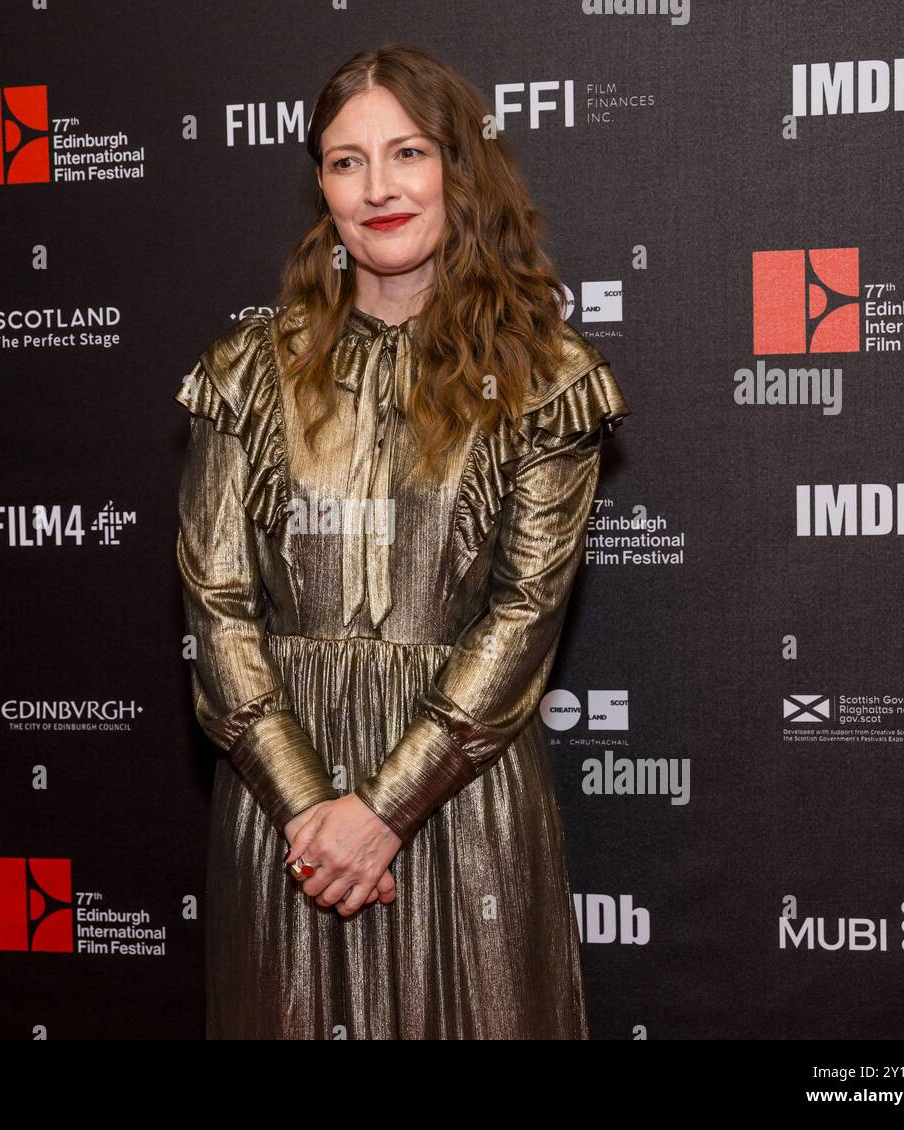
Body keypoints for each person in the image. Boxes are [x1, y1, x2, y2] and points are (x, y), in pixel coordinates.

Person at [175, 43, 629, 1039]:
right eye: (345, 161)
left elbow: (522, 615)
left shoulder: (547, 374)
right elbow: (216, 605)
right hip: (278, 791)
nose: (377, 187)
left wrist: (380, 810)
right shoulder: (246, 373)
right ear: (321, 189)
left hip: (458, 790)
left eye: (406, 153)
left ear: (459, 170)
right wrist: (307, 808)